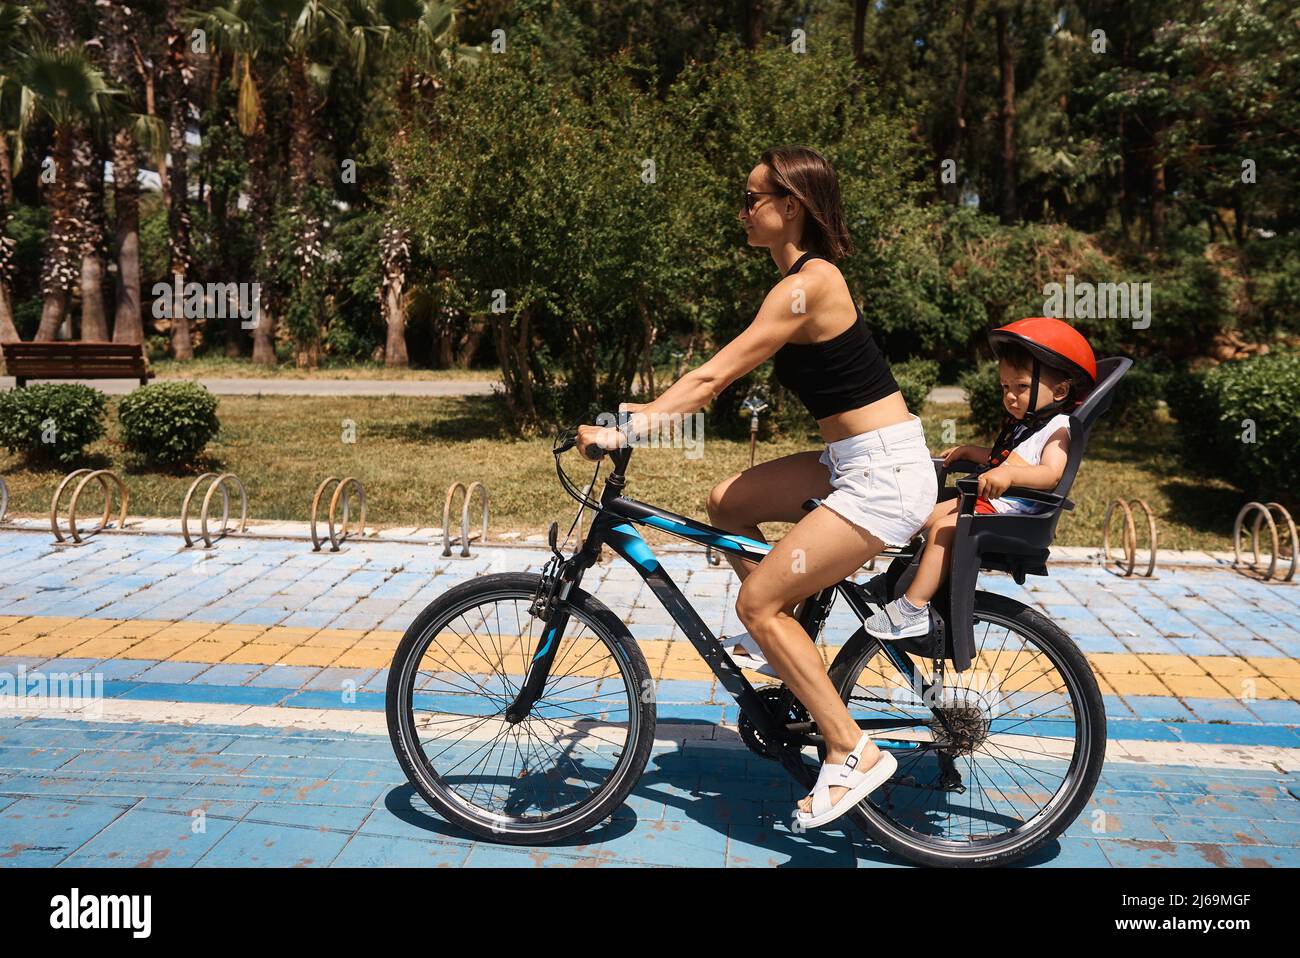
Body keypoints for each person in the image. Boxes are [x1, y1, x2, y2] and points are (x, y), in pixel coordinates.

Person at [576, 145, 938, 829]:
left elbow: (716, 377)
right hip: (853, 460)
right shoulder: (795, 281)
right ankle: (789, 636)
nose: (741, 210)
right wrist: (639, 417)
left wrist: (629, 428)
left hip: (884, 476)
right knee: (728, 501)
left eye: (751, 198)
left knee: (756, 604)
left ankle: (852, 749)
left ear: (790, 205)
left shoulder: (810, 283)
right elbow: (714, 378)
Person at [861, 317, 1097, 643]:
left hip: (1010, 513)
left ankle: (913, 609)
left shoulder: (1059, 428)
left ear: (1059, 390)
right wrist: (973, 452)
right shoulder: (1028, 426)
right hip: (988, 501)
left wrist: (1010, 474)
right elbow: (1008, 459)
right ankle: (892, 583)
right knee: (918, 515)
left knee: (944, 529)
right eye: (1005, 388)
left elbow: (1049, 473)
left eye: (1022, 387)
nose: (1010, 396)